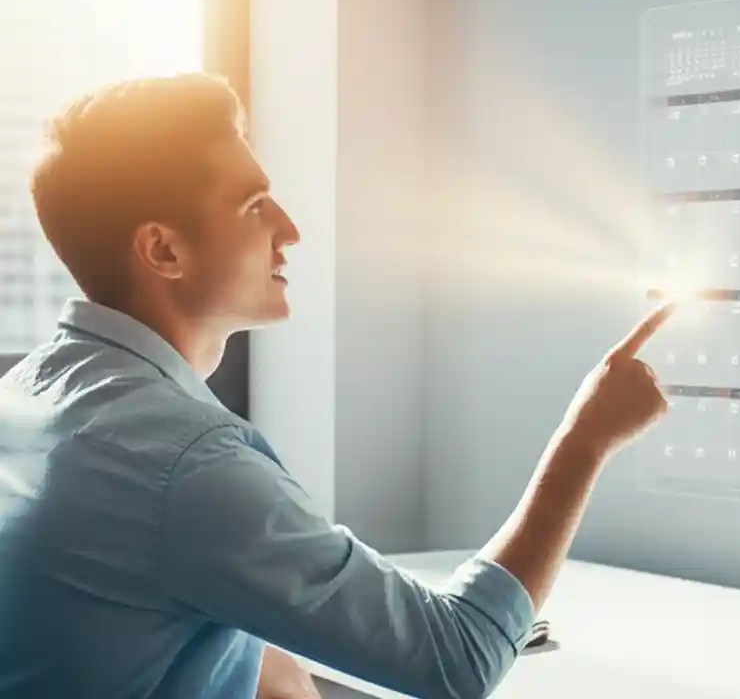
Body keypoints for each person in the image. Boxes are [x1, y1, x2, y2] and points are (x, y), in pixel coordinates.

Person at [0, 73, 676, 698]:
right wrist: (585, 441)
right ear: (163, 251)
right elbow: (457, 659)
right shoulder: (187, 463)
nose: (289, 231)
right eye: (255, 205)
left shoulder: (29, 395)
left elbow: (154, 599)